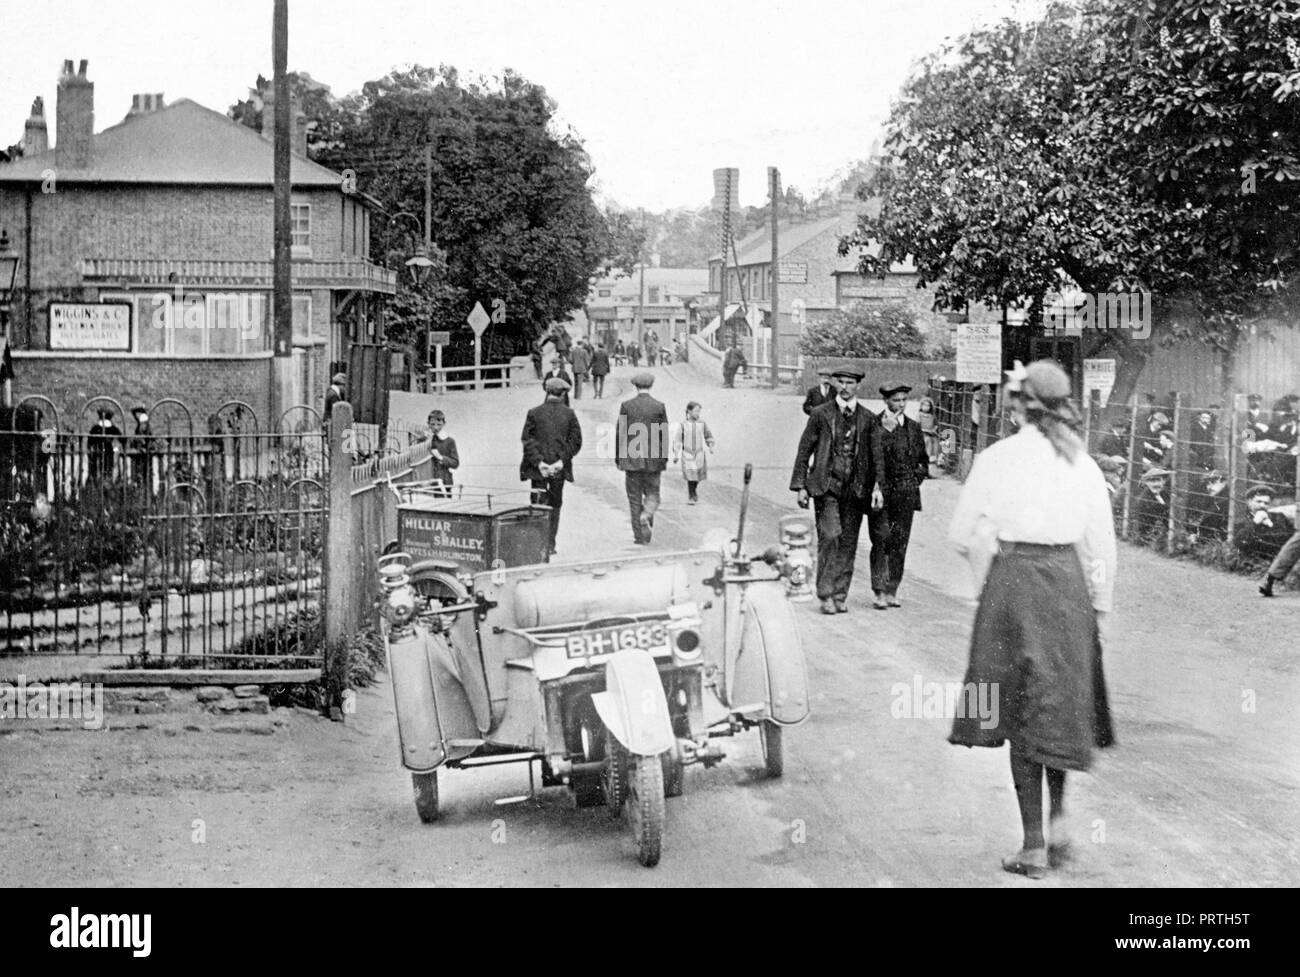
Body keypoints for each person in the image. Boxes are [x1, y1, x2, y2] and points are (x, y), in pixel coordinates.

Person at [948, 359, 1117, 880]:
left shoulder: (997, 459)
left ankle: (1034, 845)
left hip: (1012, 585)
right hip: (1067, 591)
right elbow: (1101, 548)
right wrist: (1099, 610)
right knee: (1059, 711)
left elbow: (964, 534)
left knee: (1017, 714)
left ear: (1017, 405)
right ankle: (1061, 829)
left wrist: (987, 586)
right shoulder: (1080, 463)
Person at [789, 367, 885, 615]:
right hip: (826, 486)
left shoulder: (868, 418)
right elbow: (804, 450)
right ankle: (825, 593)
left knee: (849, 543)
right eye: (840, 382)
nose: (844, 387)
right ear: (835, 384)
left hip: (855, 490)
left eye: (849, 383)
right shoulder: (821, 414)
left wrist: (877, 487)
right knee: (831, 535)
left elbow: (877, 458)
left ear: (858, 386)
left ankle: (840, 594)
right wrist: (801, 486)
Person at [868, 382, 929, 610]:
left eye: (904, 400)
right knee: (881, 539)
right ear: (886, 401)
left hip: (905, 494)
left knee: (899, 542)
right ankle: (879, 591)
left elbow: (923, 461)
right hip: (881, 494)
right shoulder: (873, 424)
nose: (901, 405)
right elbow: (869, 459)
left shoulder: (913, 427)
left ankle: (893, 588)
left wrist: (914, 480)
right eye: (896, 400)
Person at [520, 377, 583, 557]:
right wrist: (561, 462)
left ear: (546, 392)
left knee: (538, 504)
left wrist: (539, 463)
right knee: (555, 505)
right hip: (558, 470)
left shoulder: (533, 412)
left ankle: (537, 544)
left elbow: (527, 440)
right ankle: (549, 545)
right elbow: (576, 441)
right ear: (563, 393)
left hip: (537, 470)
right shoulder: (569, 414)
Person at [616, 372, 670, 544]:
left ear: (635, 386)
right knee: (653, 494)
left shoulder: (626, 406)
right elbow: (664, 435)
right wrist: (664, 459)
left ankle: (639, 537)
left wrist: (619, 458)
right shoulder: (659, 406)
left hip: (632, 461)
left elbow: (621, 433)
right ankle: (646, 516)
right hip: (654, 460)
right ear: (651, 386)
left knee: (634, 498)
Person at [672, 401, 715, 504]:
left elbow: (708, 435)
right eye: (696, 411)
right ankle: (691, 495)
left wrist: (710, 446)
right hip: (687, 453)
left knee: (697, 476)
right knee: (690, 475)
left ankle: (694, 490)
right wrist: (676, 454)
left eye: (699, 411)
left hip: (699, 453)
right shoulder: (683, 424)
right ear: (689, 411)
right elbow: (678, 439)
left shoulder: (702, 423)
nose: (698, 413)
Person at [423, 409, 460, 497]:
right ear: (428, 423)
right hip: (427, 482)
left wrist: (441, 457)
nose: (435, 427)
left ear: (444, 424)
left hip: (443, 482)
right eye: (432, 424)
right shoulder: (424, 440)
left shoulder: (449, 441)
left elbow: (455, 463)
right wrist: (426, 440)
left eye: (439, 424)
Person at [86, 408, 123, 482]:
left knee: (96, 470)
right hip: (108, 451)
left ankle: (98, 484)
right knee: (108, 470)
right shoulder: (113, 428)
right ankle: (107, 484)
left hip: (97, 451)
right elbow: (122, 439)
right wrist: (117, 448)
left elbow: (89, 442)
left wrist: (90, 449)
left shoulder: (95, 428)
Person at [917, 396, 938, 473]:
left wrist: (934, 429)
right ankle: (922, 470)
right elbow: (917, 425)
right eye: (924, 405)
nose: (926, 407)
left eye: (928, 405)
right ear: (921, 406)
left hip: (931, 435)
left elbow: (935, 424)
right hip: (922, 435)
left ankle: (929, 469)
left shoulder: (932, 416)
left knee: (932, 449)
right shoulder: (919, 415)